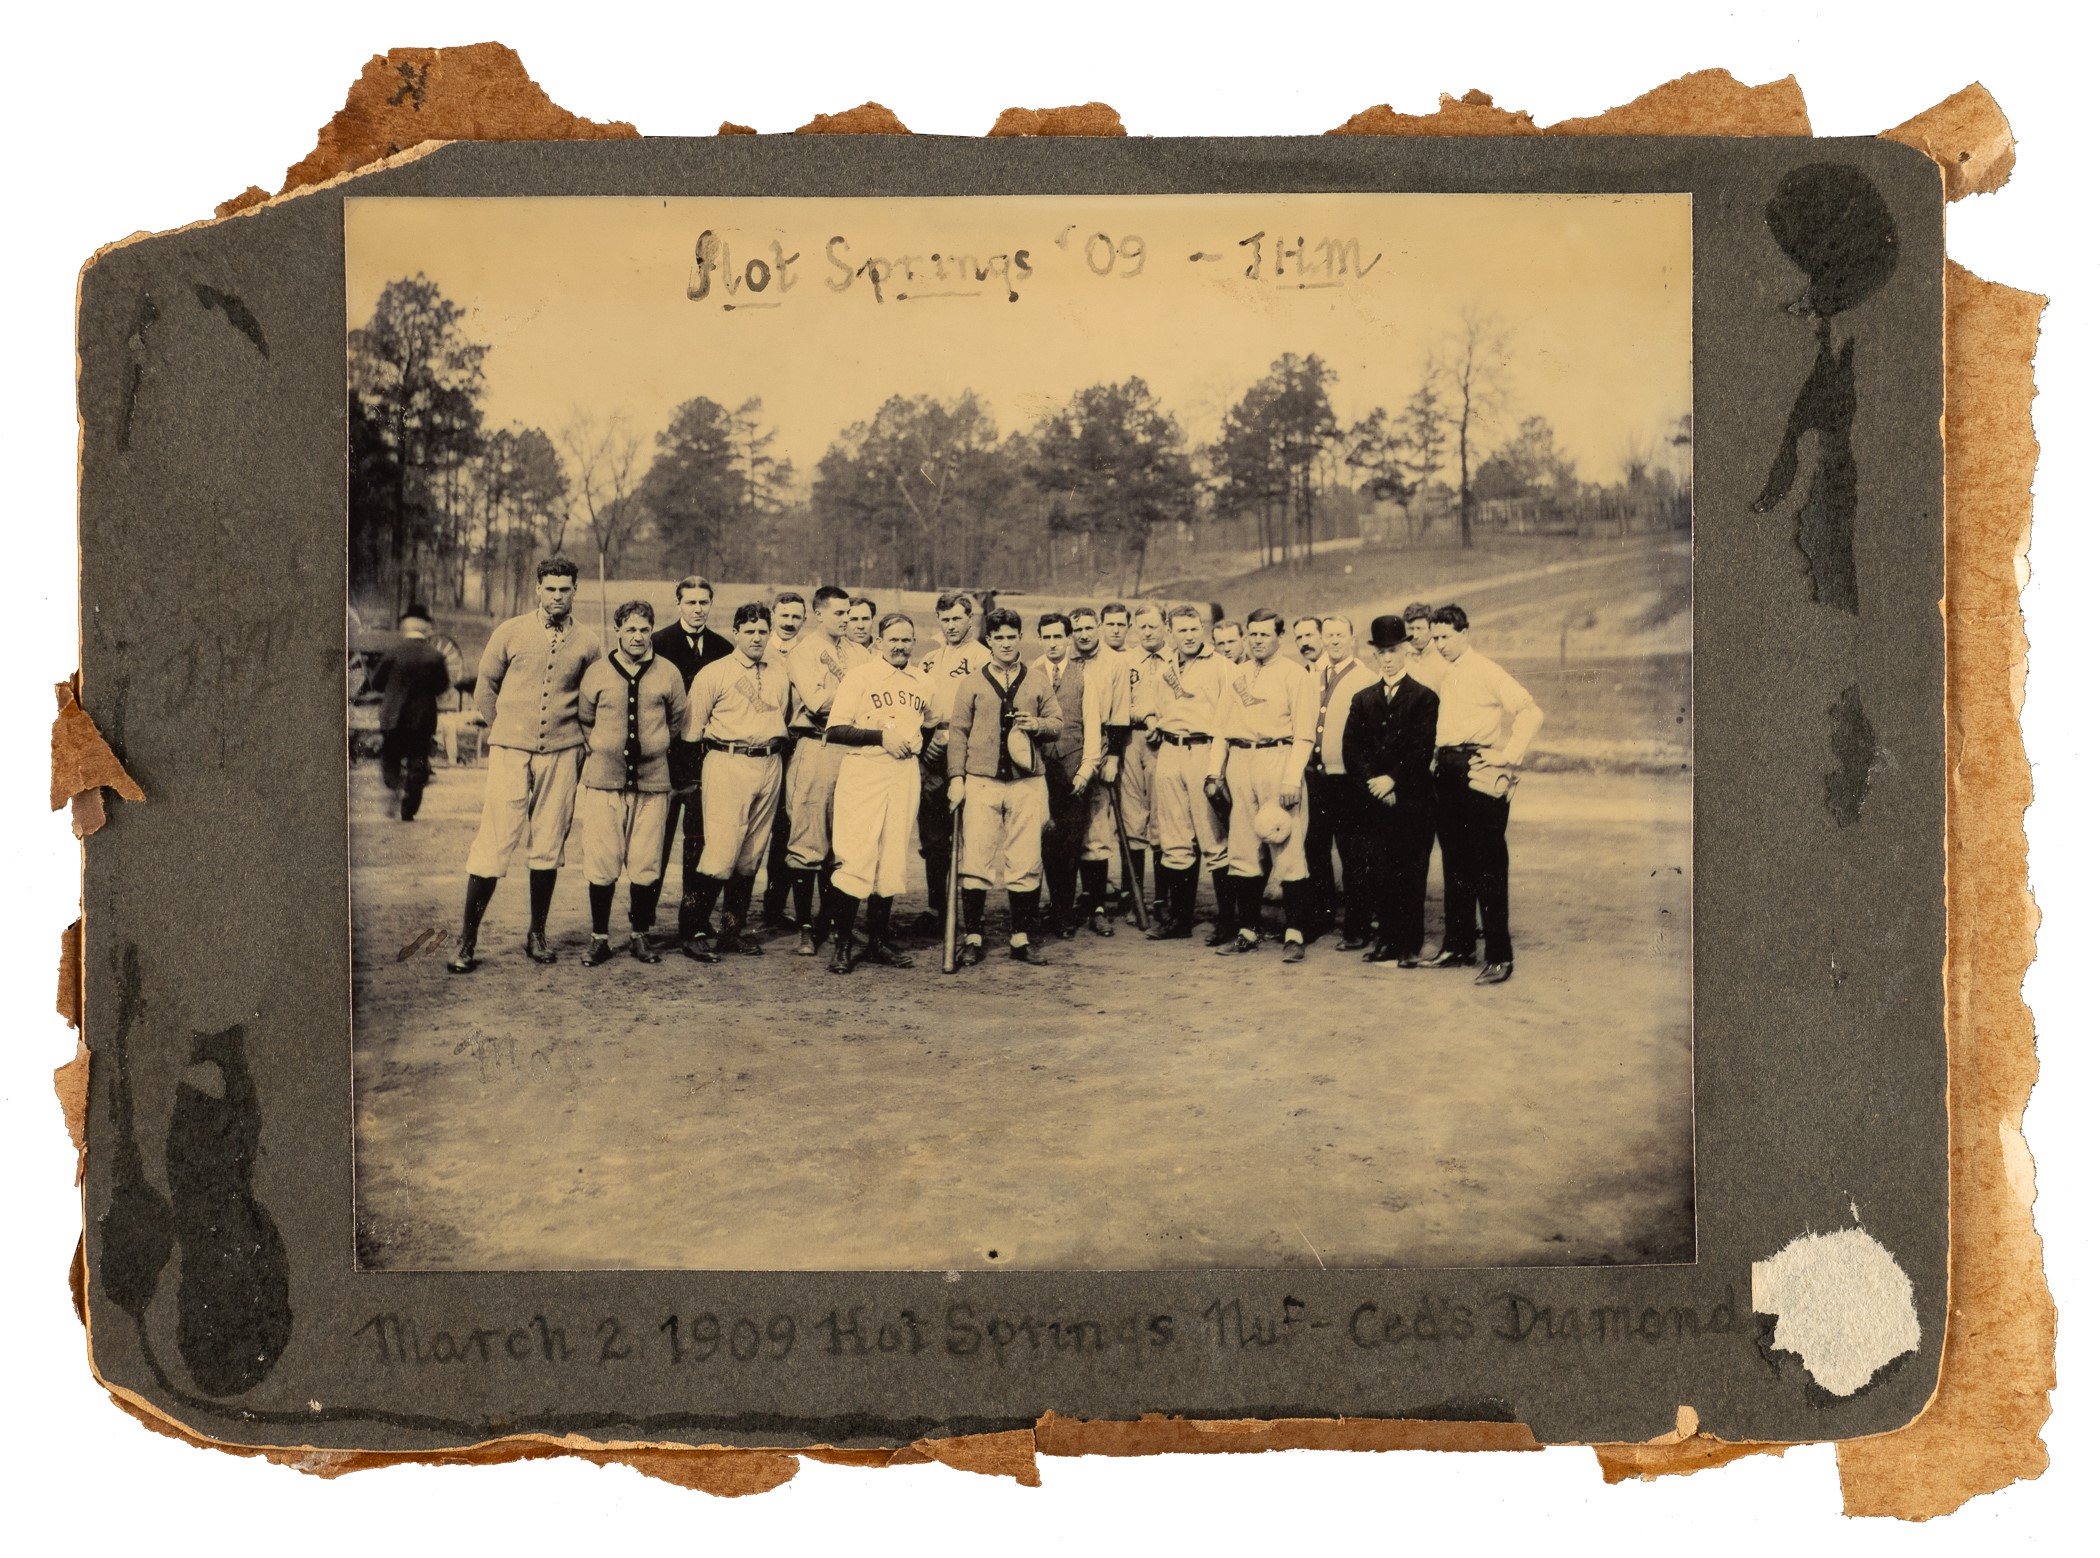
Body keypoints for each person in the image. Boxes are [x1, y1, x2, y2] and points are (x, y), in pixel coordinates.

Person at [447, 558, 603, 974]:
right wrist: (502, 731)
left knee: (549, 840)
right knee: (494, 839)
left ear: (575, 591)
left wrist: (583, 745)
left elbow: (593, 700)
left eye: (565, 589)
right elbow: (485, 687)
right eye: (550, 589)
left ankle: (536, 933)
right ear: (538, 589)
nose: (557, 596)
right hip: (510, 750)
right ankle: (467, 939)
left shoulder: (588, 642)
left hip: (563, 751)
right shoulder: (510, 631)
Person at [1424, 604, 1544, 985]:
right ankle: (1458, 947)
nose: (1440, 644)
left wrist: (1508, 754)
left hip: (1479, 771)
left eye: (1446, 637)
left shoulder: (1486, 670)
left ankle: (1499, 957)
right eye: (1436, 637)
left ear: (1465, 633)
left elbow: (1530, 712)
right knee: (1456, 863)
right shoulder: (1449, 673)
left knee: (1488, 866)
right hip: (1448, 772)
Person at [946, 606, 1063, 966]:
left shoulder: (1038, 679)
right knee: (977, 859)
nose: (1006, 643)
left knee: (1025, 859)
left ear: (1020, 638)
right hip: (982, 781)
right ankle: (974, 936)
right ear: (989, 641)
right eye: (999, 637)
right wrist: (955, 778)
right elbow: (958, 733)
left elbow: (1058, 722)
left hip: (1027, 782)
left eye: (1012, 636)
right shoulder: (972, 682)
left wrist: (1038, 725)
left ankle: (1020, 936)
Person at [575, 601, 689, 965]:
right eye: (630, 630)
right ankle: (600, 937)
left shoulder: (668, 673)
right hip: (604, 781)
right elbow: (585, 718)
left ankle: (640, 935)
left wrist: (655, 746)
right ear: (618, 631)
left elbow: (677, 720)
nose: (637, 636)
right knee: (602, 860)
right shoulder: (597, 672)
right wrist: (604, 748)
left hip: (652, 782)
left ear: (651, 630)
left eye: (644, 629)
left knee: (645, 861)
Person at [821, 612, 935, 973]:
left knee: (891, 858)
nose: (900, 646)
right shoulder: (860, 676)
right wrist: (881, 737)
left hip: (904, 774)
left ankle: (879, 941)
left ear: (913, 643)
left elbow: (932, 724)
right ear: (879, 642)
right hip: (865, 769)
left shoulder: (922, 681)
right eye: (893, 639)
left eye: (907, 639)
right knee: (857, 856)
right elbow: (835, 729)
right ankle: (842, 945)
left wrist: (916, 746)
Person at [679, 602, 792, 962]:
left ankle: (730, 932)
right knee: (720, 852)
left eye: (762, 631)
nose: (757, 638)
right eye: (749, 631)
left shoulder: (778, 670)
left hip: (769, 762)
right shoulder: (715, 673)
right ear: (735, 632)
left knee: (750, 855)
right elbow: (691, 732)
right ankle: (692, 931)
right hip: (727, 761)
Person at [1209, 609, 1319, 962]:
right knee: (1242, 850)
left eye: (1264, 634)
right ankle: (1247, 930)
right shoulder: (1237, 674)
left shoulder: (1294, 674)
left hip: (1279, 758)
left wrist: (1292, 777)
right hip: (1241, 762)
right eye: (1252, 634)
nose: (1257, 640)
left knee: (1286, 848)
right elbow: (1221, 729)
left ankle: (1295, 933)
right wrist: (1214, 773)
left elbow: (1304, 733)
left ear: (1279, 636)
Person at [1343, 615, 1441, 966]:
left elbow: (1421, 749)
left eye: (1393, 650)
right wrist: (1374, 783)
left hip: (1412, 800)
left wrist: (1393, 780)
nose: (1387, 658)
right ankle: (1385, 940)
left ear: (1406, 652)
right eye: (1381, 652)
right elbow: (1352, 749)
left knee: (1411, 872)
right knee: (1379, 870)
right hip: (1375, 800)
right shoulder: (1363, 698)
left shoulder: (1424, 698)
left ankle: (1408, 944)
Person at [782, 585, 871, 955]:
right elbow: (818, 704)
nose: (847, 620)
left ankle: (832, 922)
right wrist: (859, 695)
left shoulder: (860, 652)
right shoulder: (803, 651)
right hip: (816, 746)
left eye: (849, 614)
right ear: (818, 614)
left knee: (845, 841)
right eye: (839, 614)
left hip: (852, 751)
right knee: (808, 841)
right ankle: (805, 926)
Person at [1143, 605, 1234, 942]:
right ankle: (1180, 921)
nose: (1190, 635)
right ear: (1170, 632)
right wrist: (1153, 721)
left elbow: (1231, 717)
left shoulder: (1222, 666)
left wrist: (1217, 768)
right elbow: (1151, 706)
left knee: (1213, 840)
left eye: (1194, 629)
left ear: (1203, 629)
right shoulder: (1164, 666)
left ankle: (1227, 921)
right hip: (1169, 751)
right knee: (1175, 839)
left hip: (1204, 749)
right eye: (1182, 630)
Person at [652, 576, 735, 938]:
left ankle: (693, 920)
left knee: (698, 841)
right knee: (655, 839)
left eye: (704, 603)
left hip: (703, 759)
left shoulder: (723, 647)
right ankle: (644, 919)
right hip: (664, 757)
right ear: (679, 604)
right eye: (691, 603)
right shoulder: (658, 643)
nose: (698, 609)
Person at [912, 590, 990, 931]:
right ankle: (936, 908)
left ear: (970, 619)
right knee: (932, 835)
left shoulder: (982, 657)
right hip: (930, 750)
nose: (951, 625)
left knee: (970, 832)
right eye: (945, 620)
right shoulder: (929, 659)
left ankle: (970, 914)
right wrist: (926, 742)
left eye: (957, 618)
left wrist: (947, 741)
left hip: (967, 748)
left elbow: (983, 712)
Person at [1303, 614, 1379, 946]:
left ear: (1352, 638)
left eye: (1339, 635)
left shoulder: (1365, 677)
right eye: (1328, 635)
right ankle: (1321, 916)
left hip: (1347, 780)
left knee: (1352, 854)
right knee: (1315, 849)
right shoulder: (1314, 675)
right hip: (1316, 778)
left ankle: (1358, 926)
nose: (1333, 641)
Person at [1068, 606, 1131, 938]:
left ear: (1098, 629)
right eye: (1077, 629)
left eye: (1089, 628)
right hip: (1067, 748)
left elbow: (1120, 712)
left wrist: (1114, 757)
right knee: (1067, 827)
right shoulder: (1063, 661)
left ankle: (1096, 904)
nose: (1083, 634)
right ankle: (1071, 901)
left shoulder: (1115, 662)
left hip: (1102, 742)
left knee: (1096, 826)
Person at [1030, 613, 1093, 937]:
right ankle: (1050, 909)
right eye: (1047, 637)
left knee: (1069, 845)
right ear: (1040, 639)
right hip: (1039, 773)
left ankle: (1065, 913)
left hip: (1073, 773)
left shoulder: (1083, 676)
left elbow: (1092, 727)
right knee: (1045, 842)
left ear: (1068, 639)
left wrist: (1085, 770)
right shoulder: (1031, 673)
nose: (1053, 643)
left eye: (1058, 637)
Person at [372, 603, 452, 822]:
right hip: (422, 719)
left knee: (391, 756)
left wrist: (393, 690)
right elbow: (442, 686)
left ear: (406, 628)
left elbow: (376, 682)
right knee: (418, 760)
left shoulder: (392, 653)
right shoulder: (435, 656)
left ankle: (394, 784)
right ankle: (409, 808)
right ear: (426, 629)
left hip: (393, 716)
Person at [759, 591, 809, 927]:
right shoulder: (760, 648)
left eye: (796, 617)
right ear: (773, 615)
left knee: (787, 827)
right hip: (764, 745)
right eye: (784, 615)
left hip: (797, 748)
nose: (790, 622)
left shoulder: (807, 652)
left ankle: (774, 906)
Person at [1121, 603, 1171, 922]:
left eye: (1154, 625)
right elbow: (1117, 702)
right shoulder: (1126, 661)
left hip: (1164, 740)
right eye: (1142, 627)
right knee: (1132, 816)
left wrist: (1161, 722)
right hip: (1131, 739)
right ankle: (1134, 896)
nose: (1148, 632)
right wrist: (1142, 714)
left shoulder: (1177, 661)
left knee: (1163, 817)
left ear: (1165, 624)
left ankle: (1162, 898)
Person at [1398, 600, 1448, 692]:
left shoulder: (1445, 656)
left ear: (1431, 628)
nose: (1415, 635)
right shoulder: (1398, 656)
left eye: (1420, 628)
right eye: (1411, 629)